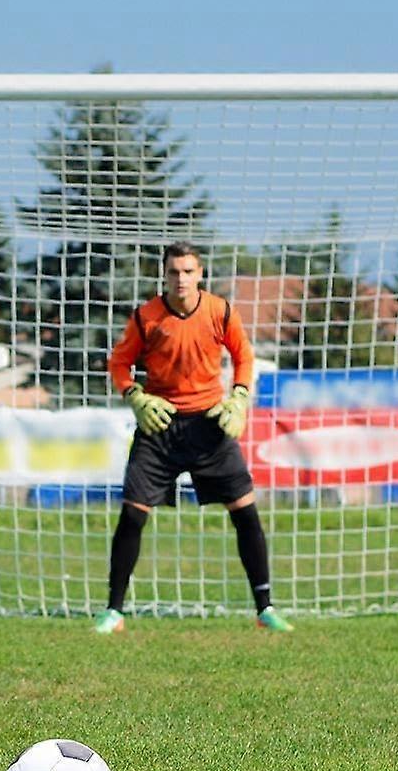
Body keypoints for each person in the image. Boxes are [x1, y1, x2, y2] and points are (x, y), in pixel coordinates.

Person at [99, 241, 293, 634]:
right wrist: (135, 396)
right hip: (160, 426)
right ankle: (114, 612)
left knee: (245, 511)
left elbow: (244, 356)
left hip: (210, 425)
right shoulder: (146, 317)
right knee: (133, 515)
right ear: (164, 275)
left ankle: (265, 608)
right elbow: (119, 362)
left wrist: (238, 397)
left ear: (200, 273)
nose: (181, 279)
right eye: (174, 272)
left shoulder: (220, 311)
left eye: (188, 271)